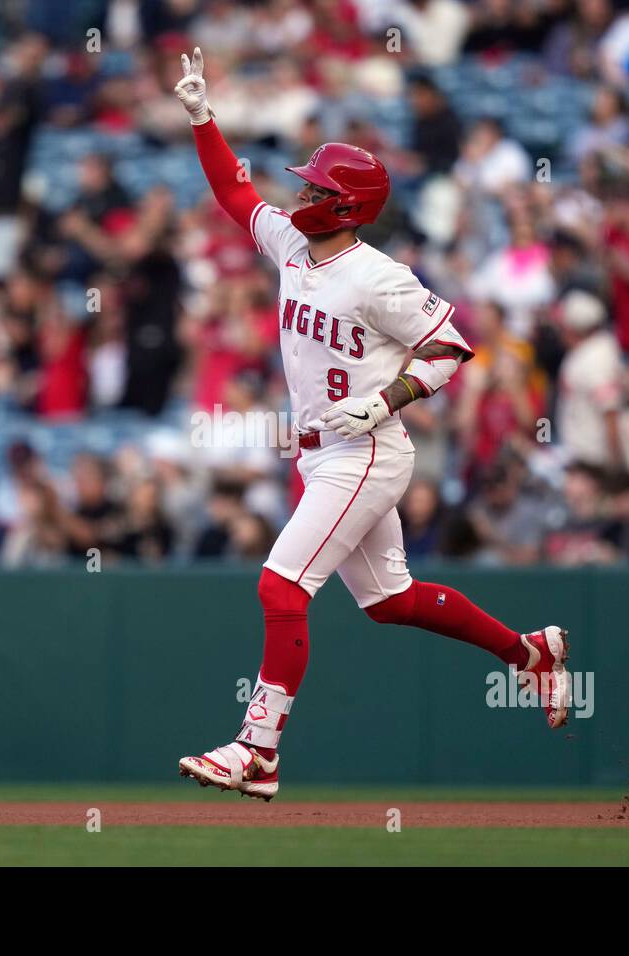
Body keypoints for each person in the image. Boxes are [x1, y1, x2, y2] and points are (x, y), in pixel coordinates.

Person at [172, 48, 572, 802]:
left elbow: (452, 349)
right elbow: (235, 191)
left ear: (346, 205)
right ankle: (529, 654)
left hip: (366, 448)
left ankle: (258, 751)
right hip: (323, 451)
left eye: (317, 187)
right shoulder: (293, 245)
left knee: (281, 586)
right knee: (391, 602)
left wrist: (389, 400)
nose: (302, 196)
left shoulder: (381, 276)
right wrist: (203, 117)